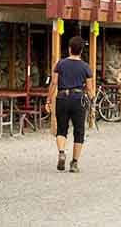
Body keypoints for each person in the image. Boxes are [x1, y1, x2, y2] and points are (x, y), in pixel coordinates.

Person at [46, 35, 93, 172]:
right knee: (79, 131)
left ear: (69, 49)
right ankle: (74, 163)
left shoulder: (60, 64)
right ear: (82, 50)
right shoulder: (85, 67)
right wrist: (92, 104)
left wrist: (48, 100)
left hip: (62, 97)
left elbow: (54, 83)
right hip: (78, 99)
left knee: (61, 129)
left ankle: (61, 152)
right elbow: (90, 89)